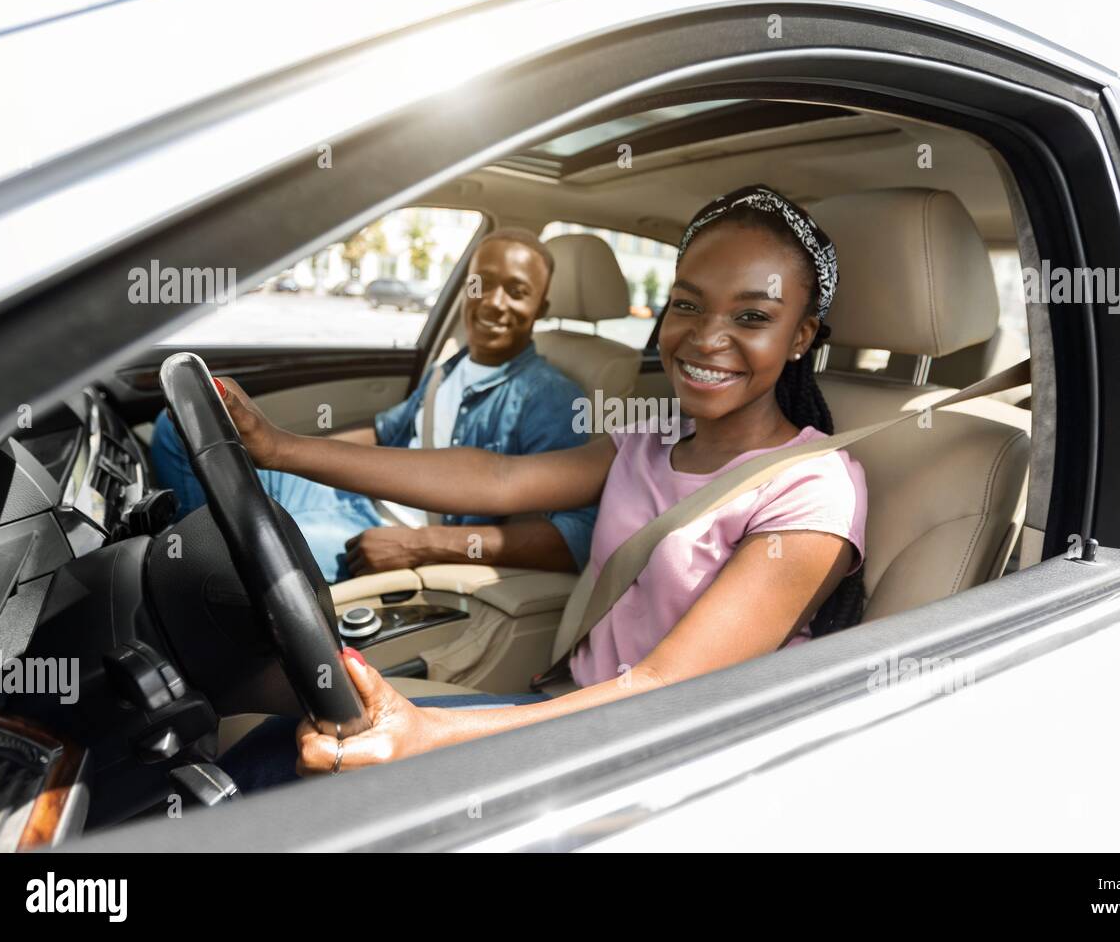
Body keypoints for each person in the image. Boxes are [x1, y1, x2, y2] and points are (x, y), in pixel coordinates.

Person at [218, 185, 868, 787]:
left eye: (751, 316)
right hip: (569, 712)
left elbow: (662, 687)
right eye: (688, 304)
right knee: (277, 748)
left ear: (800, 336)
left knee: (301, 777)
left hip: (659, 759)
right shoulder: (649, 437)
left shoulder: (814, 487)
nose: (706, 337)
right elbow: (496, 478)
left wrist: (425, 734)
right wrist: (280, 448)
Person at [150, 227, 596, 581]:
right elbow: (384, 431)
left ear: (541, 307)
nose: (495, 302)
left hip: (387, 530)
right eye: (485, 283)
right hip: (352, 496)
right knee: (181, 429)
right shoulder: (451, 366)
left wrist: (420, 545)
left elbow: (572, 537)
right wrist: (298, 460)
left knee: (220, 564)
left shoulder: (551, 397)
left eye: (517, 291)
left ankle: (194, 571)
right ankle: (194, 551)